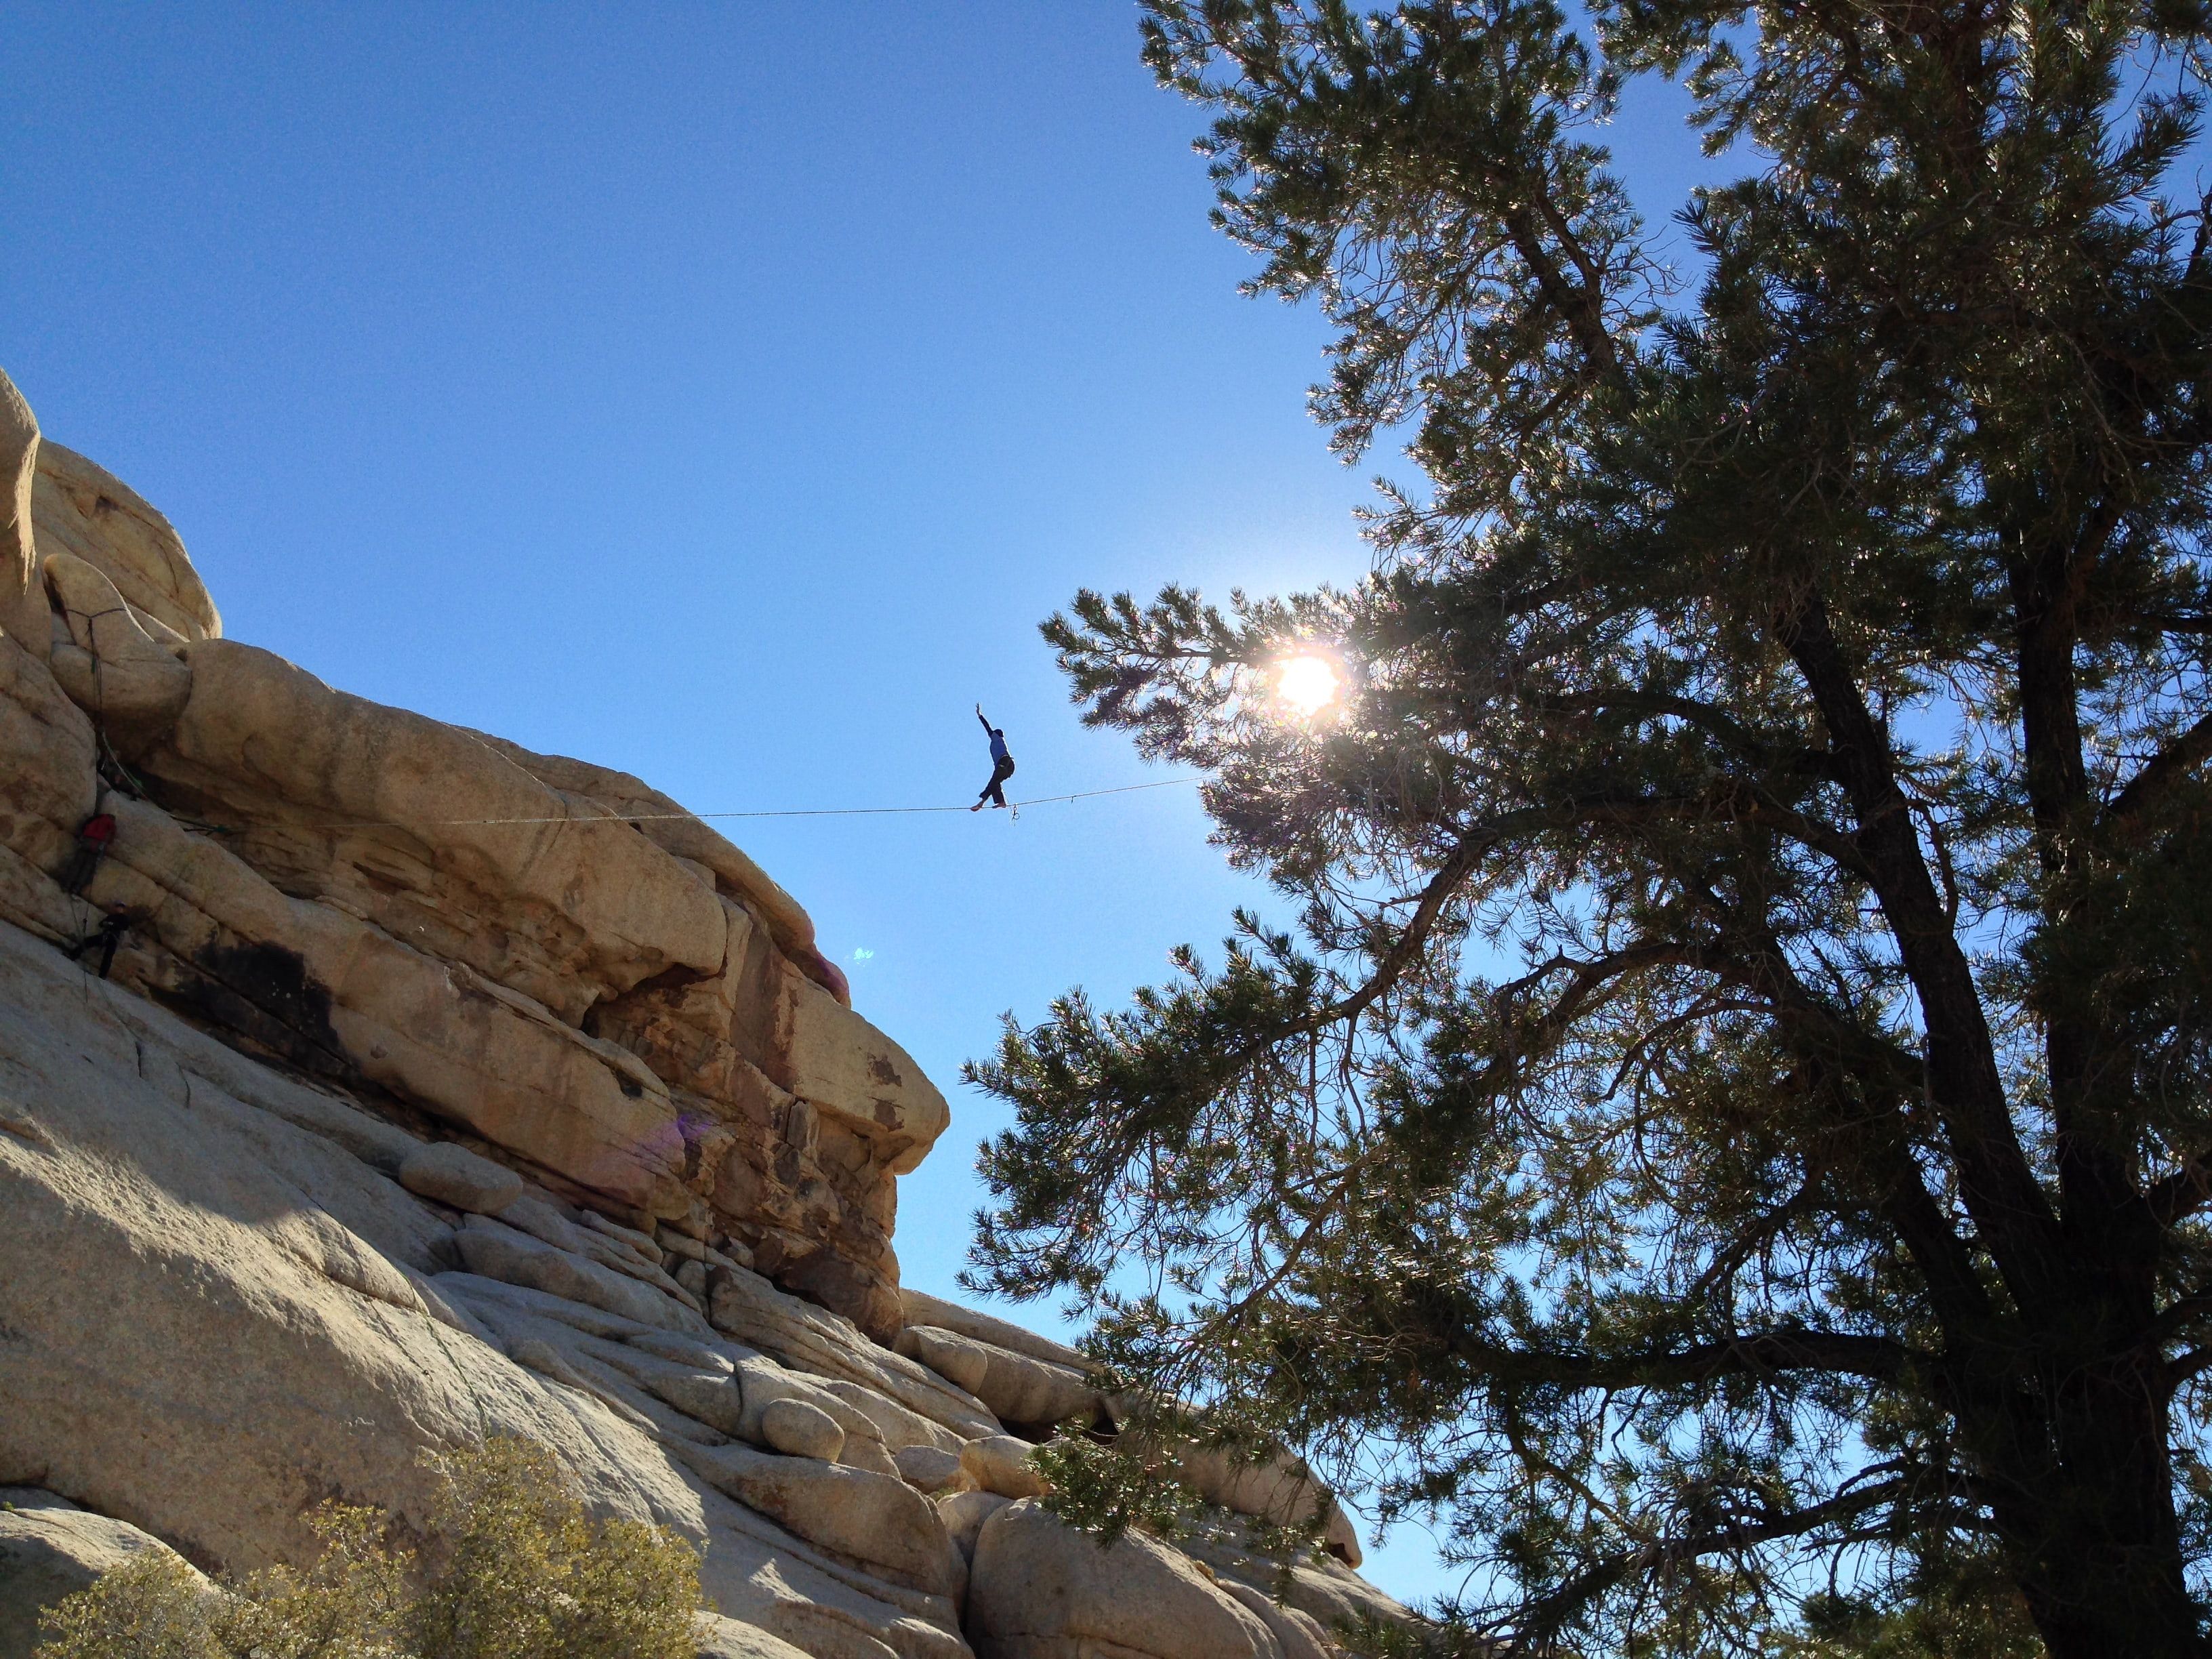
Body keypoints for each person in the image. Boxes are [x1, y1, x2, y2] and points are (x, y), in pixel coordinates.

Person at [971, 704, 1015, 811]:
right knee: (995, 783)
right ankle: (1001, 801)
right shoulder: (997, 743)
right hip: (1007, 767)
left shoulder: (997, 738)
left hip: (1005, 763)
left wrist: (979, 715)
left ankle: (982, 801)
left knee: (994, 781)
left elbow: (988, 728)